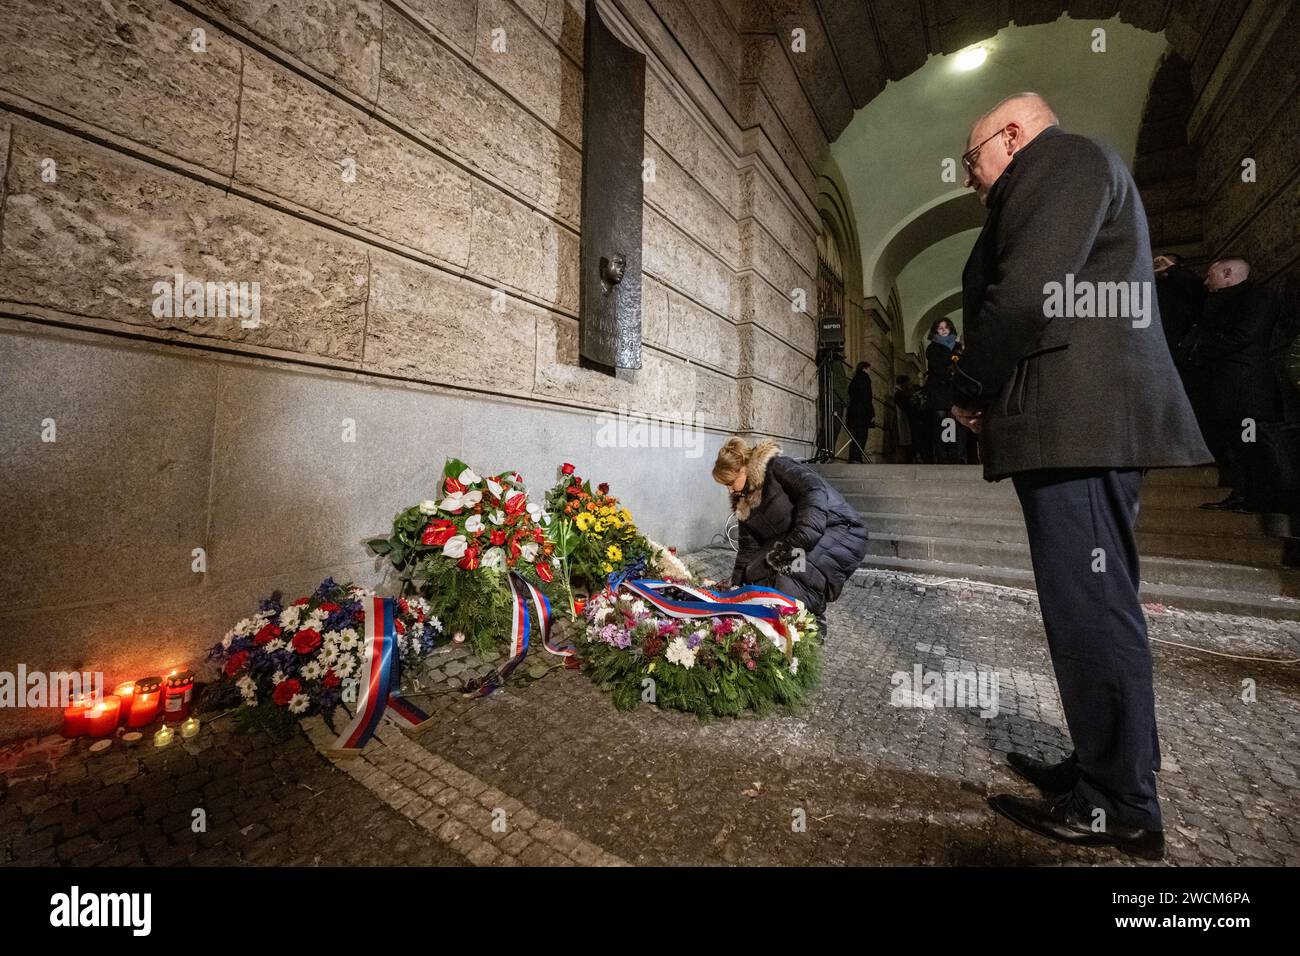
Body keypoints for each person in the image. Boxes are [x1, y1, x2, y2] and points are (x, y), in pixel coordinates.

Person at [950, 93, 1211, 860]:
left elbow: (1027, 291)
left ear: (1012, 133)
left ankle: (1120, 804)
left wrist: (971, 387)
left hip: (1080, 421)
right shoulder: (1066, 167)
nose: (970, 180)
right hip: (1074, 421)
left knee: (1091, 608)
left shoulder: (1058, 159)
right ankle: (1108, 763)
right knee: (1088, 605)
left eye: (972, 161)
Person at [712, 437, 869, 643]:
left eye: (731, 482)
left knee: (791, 568)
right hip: (795, 539)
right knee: (756, 568)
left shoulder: (777, 467)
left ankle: (811, 620)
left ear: (743, 468)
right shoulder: (744, 503)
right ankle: (777, 621)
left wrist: (801, 537)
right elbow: (748, 550)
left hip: (839, 529)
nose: (730, 490)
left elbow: (814, 492)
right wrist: (736, 590)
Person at [1188, 258, 1282, 512]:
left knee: (1253, 445)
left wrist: (1203, 348)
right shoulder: (1221, 302)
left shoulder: (1259, 297)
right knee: (1235, 447)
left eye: (1211, 275)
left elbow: (1244, 336)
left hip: (1247, 391)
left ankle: (1261, 498)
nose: (1207, 282)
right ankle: (1242, 494)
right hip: (1226, 391)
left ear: (1228, 272)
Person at [924, 318, 965, 463]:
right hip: (938, 392)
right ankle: (941, 457)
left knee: (953, 423)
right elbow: (937, 367)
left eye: (946, 327)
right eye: (939, 328)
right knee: (941, 424)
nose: (943, 330)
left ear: (951, 329)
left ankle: (954, 456)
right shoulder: (933, 348)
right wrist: (952, 373)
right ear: (935, 331)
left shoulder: (956, 347)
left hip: (953, 392)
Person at [846, 361, 875, 463]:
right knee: (862, 436)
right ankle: (857, 458)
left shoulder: (854, 380)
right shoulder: (866, 379)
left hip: (853, 413)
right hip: (862, 414)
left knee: (854, 437)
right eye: (869, 369)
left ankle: (853, 457)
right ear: (864, 368)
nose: (870, 371)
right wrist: (871, 413)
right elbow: (867, 398)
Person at [892, 375, 915, 463]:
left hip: (904, 421)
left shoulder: (901, 393)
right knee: (903, 442)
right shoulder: (900, 394)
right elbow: (906, 407)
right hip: (902, 422)